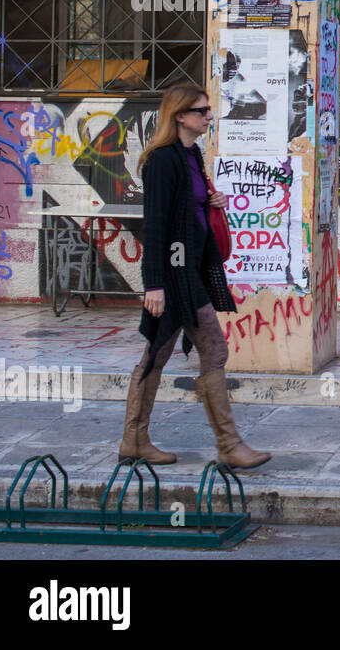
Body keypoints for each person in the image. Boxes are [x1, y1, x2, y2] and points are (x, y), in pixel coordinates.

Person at [117, 83, 271, 470]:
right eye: (201, 111)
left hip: (192, 271)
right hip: (173, 275)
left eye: (207, 110)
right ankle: (227, 445)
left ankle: (135, 440)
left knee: (159, 352)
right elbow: (154, 227)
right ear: (180, 115)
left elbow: (189, 206)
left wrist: (210, 200)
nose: (208, 116)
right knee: (199, 351)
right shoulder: (162, 161)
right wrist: (153, 284)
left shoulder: (192, 154)